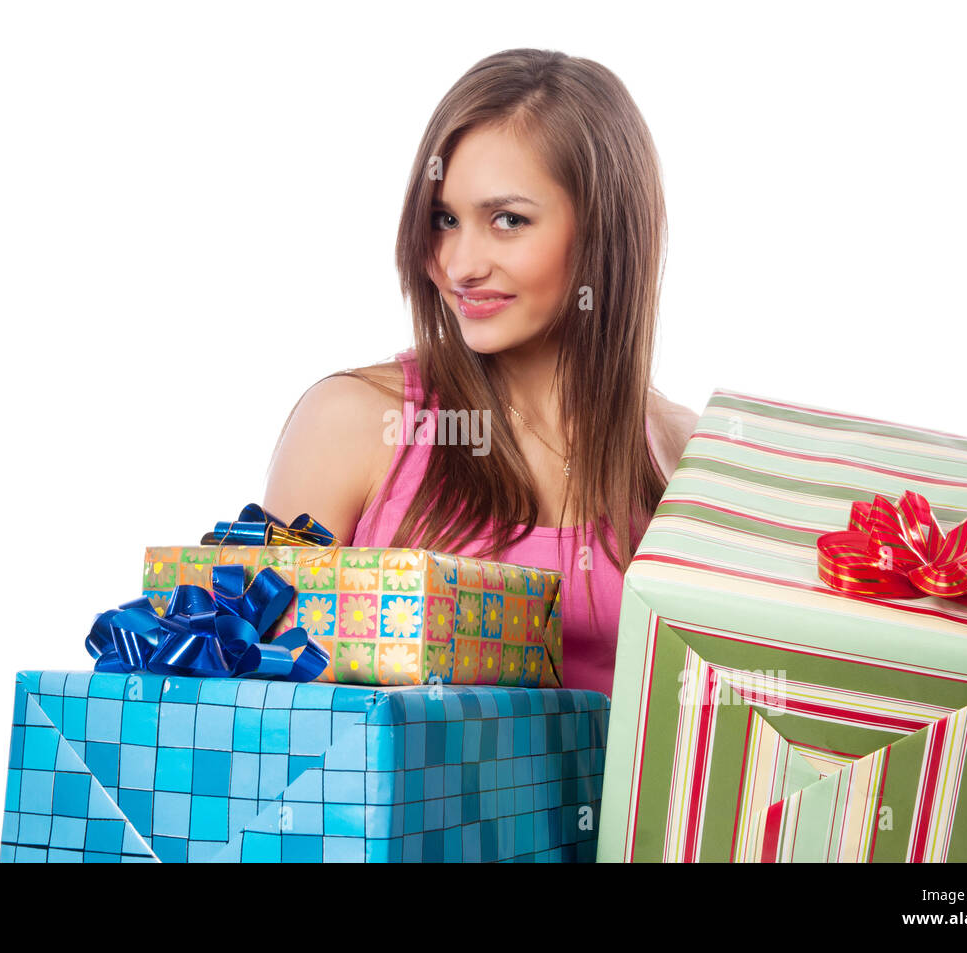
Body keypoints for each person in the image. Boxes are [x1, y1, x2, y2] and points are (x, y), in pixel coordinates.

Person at [262, 48, 697, 696]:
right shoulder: (354, 423)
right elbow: (244, 699)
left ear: (606, 229)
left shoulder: (687, 455)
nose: (461, 263)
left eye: (507, 220)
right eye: (444, 220)